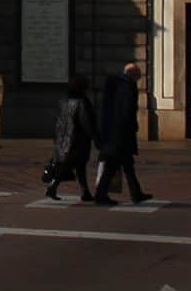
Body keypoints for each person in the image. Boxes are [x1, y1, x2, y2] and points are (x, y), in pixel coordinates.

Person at [92, 62, 150, 204]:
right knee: (112, 166)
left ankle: (136, 194)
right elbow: (127, 111)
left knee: (128, 165)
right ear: (133, 75)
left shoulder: (116, 85)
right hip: (120, 134)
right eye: (138, 76)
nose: (138, 79)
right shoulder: (127, 87)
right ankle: (101, 195)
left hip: (114, 132)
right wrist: (130, 126)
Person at [43, 75, 95, 200]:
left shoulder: (64, 100)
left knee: (76, 166)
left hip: (64, 138)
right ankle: (53, 186)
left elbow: (60, 120)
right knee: (71, 165)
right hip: (78, 139)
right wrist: (95, 136)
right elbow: (86, 122)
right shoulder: (82, 102)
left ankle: (85, 192)